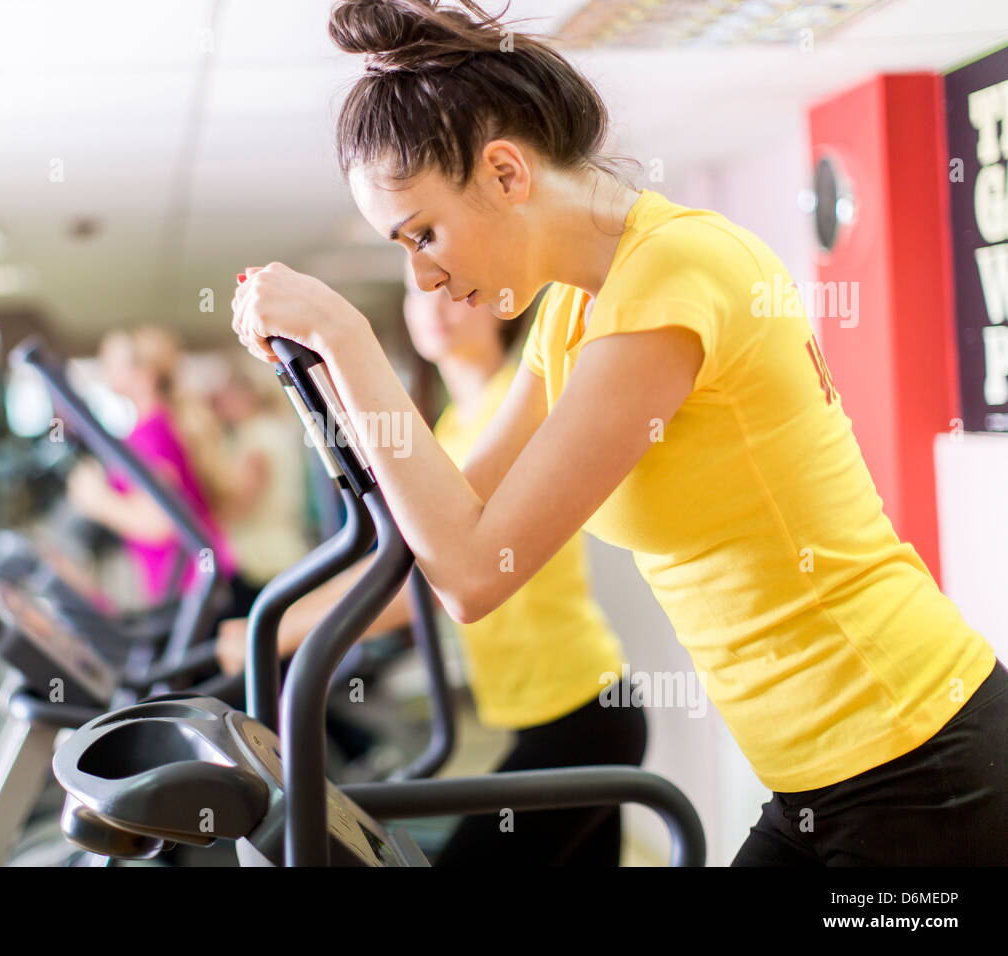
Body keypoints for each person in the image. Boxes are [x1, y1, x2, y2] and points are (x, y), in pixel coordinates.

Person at [229, 0, 1007, 865]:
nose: (424, 274)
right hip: (820, 777)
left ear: (505, 173)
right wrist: (330, 376)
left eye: (424, 233)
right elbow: (458, 498)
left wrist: (348, 338)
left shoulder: (672, 278)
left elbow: (477, 573)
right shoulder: (575, 311)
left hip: (915, 759)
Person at [218, 259, 645, 866]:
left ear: (497, 300)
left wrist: (279, 630)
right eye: (416, 296)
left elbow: (423, 581)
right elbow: (393, 553)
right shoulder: (447, 428)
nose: (433, 307)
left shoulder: (517, 404)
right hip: (541, 712)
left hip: (582, 709)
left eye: (448, 290)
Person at [66, 327, 254, 617]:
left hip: (194, 591)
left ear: (144, 376)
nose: (105, 367)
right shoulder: (158, 425)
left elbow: (161, 522)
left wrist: (97, 500)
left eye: (113, 361)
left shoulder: (150, 434)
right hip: (201, 584)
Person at [205, 352, 312, 589]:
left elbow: (239, 504)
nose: (216, 405)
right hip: (281, 551)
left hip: (261, 561)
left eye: (221, 397)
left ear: (241, 395)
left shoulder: (257, 439)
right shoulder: (272, 429)